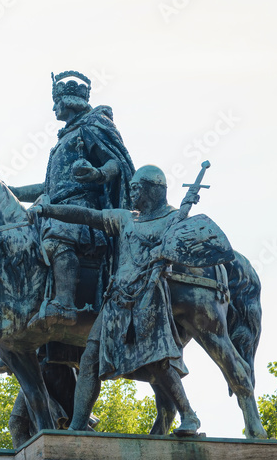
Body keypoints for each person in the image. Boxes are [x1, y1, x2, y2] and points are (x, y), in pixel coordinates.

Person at [27, 165, 201, 436]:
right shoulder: (125, 218)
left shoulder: (173, 219)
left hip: (149, 299)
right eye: (130, 187)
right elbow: (87, 215)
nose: (131, 192)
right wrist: (48, 210)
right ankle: (77, 426)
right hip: (117, 300)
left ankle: (189, 415)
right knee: (89, 360)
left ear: (153, 190)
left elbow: (184, 250)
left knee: (160, 361)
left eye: (136, 188)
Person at [10, 71, 135, 328]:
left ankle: (65, 303)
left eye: (57, 102)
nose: (54, 108)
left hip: (81, 207)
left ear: (69, 101)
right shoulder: (65, 137)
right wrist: (11, 191)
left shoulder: (91, 126)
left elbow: (115, 162)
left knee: (57, 238)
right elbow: (48, 186)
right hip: (55, 206)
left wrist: (97, 173)